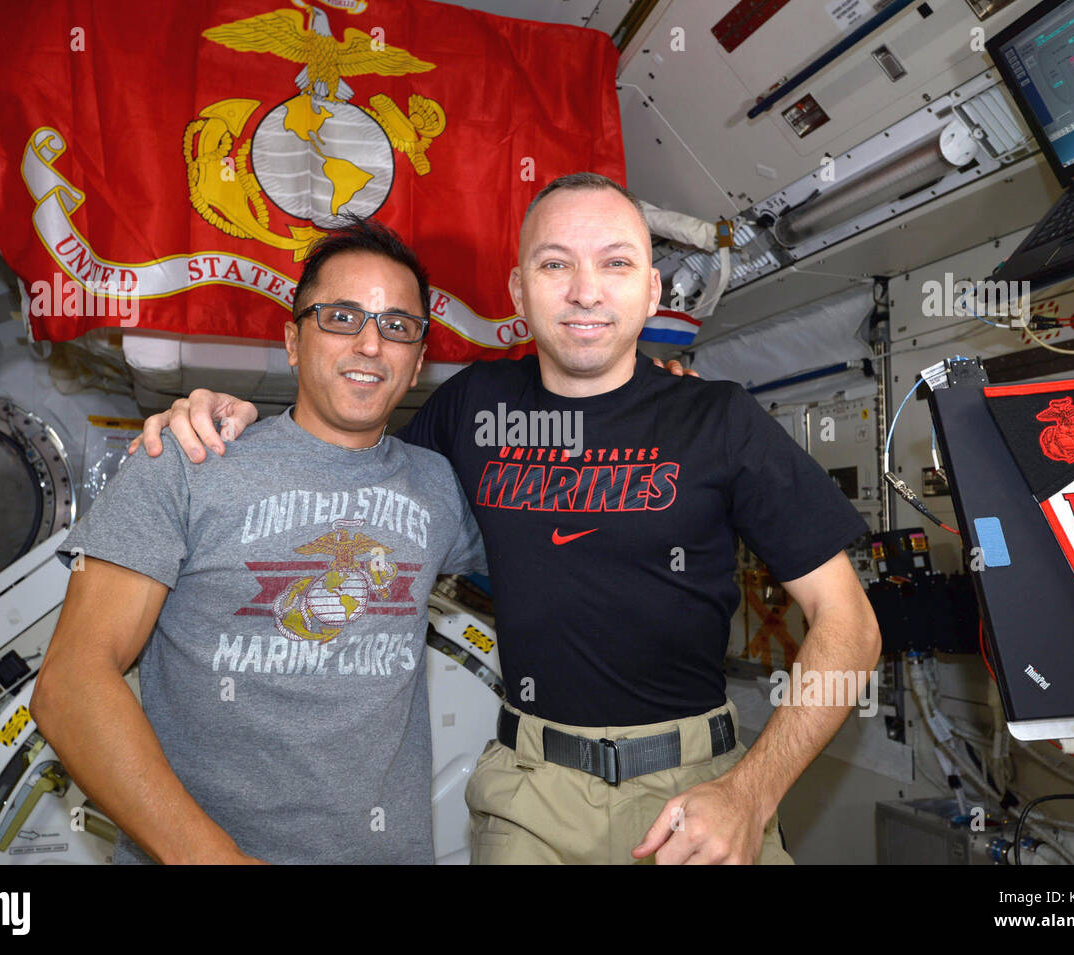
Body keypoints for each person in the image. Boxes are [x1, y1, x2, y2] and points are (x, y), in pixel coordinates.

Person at [133, 173, 881, 865]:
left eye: (615, 264)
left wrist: (752, 792)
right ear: (519, 291)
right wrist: (222, 418)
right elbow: (347, 464)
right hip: (528, 801)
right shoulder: (469, 407)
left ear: (652, 290)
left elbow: (850, 626)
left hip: (699, 790)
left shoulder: (721, 419)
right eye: (556, 265)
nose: (586, 292)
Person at [31, 217, 485, 864]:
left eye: (397, 326)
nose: (369, 343)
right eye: (340, 317)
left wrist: (663, 415)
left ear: (417, 362)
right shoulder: (184, 457)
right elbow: (71, 684)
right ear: (293, 341)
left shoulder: (439, 488)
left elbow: (571, 558)